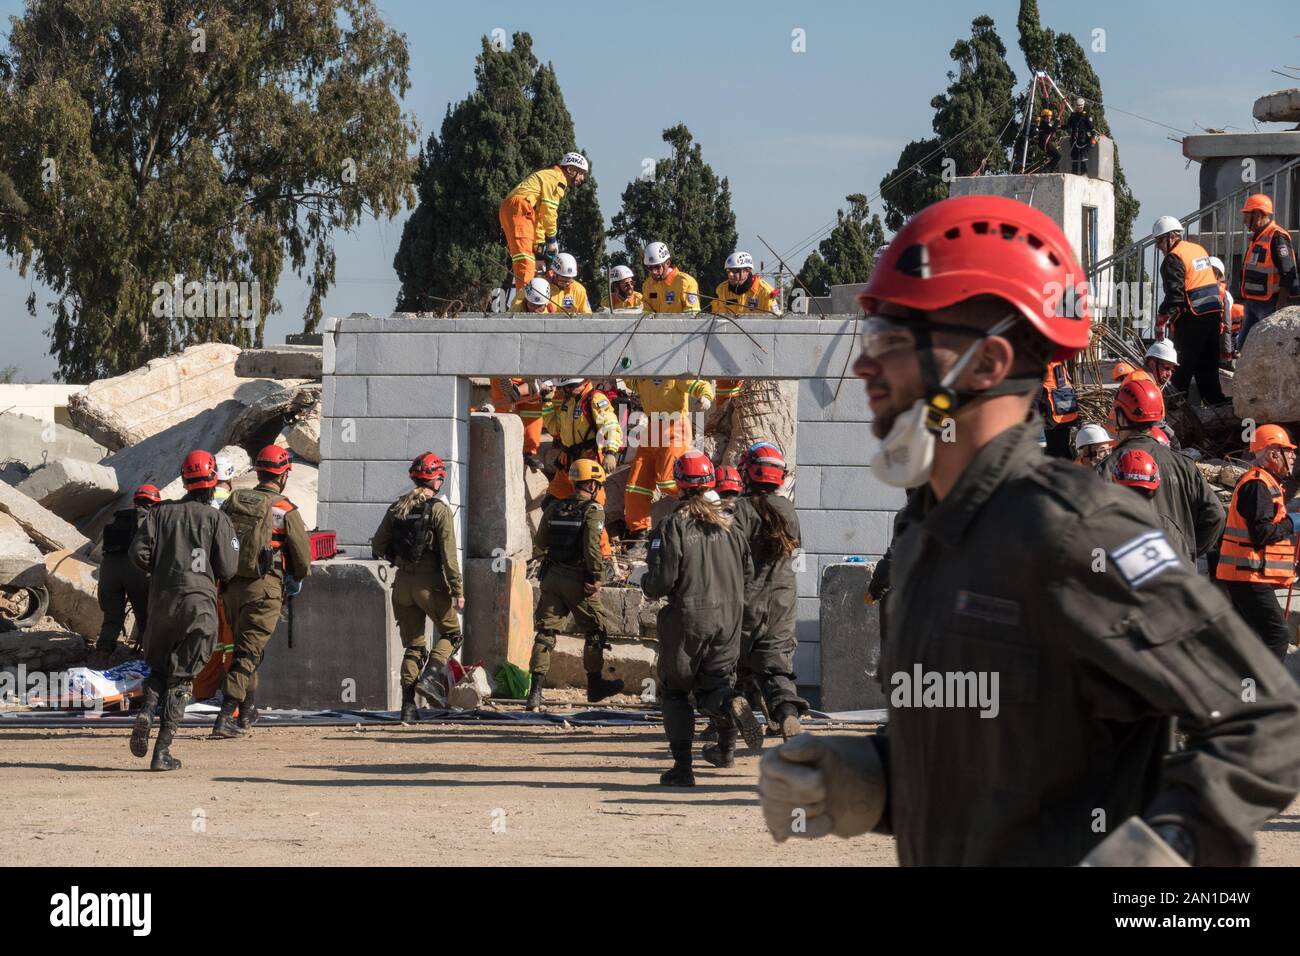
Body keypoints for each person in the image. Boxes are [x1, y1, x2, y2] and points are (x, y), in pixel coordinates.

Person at [758, 194, 1300, 865]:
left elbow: (1264, 717)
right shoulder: (930, 539)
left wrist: (1165, 846)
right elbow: (993, 761)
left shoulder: (1076, 535)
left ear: (983, 365)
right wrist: (876, 774)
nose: (866, 366)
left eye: (893, 341)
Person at [642, 451, 761, 787]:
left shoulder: (674, 525)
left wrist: (646, 584)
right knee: (715, 685)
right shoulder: (731, 524)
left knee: (676, 692)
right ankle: (730, 702)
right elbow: (749, 574)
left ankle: (683, 769)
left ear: (679, 484)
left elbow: (662, 581)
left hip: (689, 618)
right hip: (730, 618)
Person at [128, 451, 238, 771]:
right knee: (182, 676)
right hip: (199, 606)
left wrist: (161, 570)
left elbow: (138, 553)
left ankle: (147, 710)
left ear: (185, 479)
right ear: (213, 481)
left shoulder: (159, 515)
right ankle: (162, 752)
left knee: (160, 668)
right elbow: (228, 568)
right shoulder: (218, 519)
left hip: (162, 602)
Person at [211, 445, 312, 738]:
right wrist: (293, 580)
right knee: (247, 653)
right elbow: (302, 560)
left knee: (246, 649)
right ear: (282, 475)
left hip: (231, 588)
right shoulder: (285, 509)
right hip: (264, 589)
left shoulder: (234, 499)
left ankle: (246, 712)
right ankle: (224, 717)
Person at [724, 441, 807, 750]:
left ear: (749, 473)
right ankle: (785, 712)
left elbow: (729, 557)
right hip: (783, 601)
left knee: (737, 666)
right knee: (776, 665)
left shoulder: (739, 511)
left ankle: (731, 728)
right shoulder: (789, 510)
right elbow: (797, 558)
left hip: (745, 600)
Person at [371, 453, 464, 721]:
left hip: (402, 585)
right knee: (452, 634)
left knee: (414, 646)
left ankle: (408, 708)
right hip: (431, 584)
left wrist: (398, 559)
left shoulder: (397, 507)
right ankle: (431, 677)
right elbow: (449, 556)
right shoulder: (438, 509)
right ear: (436, 479)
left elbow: (377, 546)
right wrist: (457, 591)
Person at [526, 460, 625, 711]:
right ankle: (594, 686)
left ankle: (534, 694)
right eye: (598, 485)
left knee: (546, 634)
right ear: (592, 484)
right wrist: (596, 577)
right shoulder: (593, 510)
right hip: (579, 580)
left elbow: (539, 545)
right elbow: (592, 546)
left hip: (552, 577)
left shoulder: (555, 507)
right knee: (595, 630)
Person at [1102, 379, 1224, 565]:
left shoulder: (1107, 468)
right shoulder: (1185, 466)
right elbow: (1216, 514)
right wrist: (1188, 549)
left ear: (1121, 416)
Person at [1216, 424, 1300, 664]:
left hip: (1248, 575)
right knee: (1277, 634)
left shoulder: (1264, 482)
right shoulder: (1257, 485)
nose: (1293, 456)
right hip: (1247, 576)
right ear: (1273, 454)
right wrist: (1292, 522)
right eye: (1288, 451)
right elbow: (1262, 533)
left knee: (1252, 635)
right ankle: (1264, 691)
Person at [620, 375, 714, 550]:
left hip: (675, 428)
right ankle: (639, 533)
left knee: (667, 480)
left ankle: (702, 505)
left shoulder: (674, 373)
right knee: (635, 486)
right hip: (652, 428)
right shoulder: (643, 377)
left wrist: (706, 397)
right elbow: (629, 380)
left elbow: (700, 385)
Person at [540, 377, 622, 559]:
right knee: (551, 504)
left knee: (592, 511)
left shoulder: (595, 399)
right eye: (564, 388)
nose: (564, 391)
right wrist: (546, 402)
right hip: (568, 462)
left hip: (588, 463)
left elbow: (611, 424)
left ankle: (604, 558)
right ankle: (559, 550)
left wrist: (610, 451)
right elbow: (554, 428)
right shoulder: (568, 403)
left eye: (568, 387)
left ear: (581, 383)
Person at [1152, 215, 1227, 406]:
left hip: (1192, 318)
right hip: (1213, 315)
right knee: (1207, 366)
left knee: (1181, 365)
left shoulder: (1173, 258)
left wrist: (1161, 319)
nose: (1158, 246)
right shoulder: (1197, 249)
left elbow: (1174, 296)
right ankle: (1215, 402)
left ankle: (1174, 406)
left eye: (1159, 240)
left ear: (1171, 237)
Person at [89, 484, 162, 669]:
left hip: (109, 572)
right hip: (137, 572)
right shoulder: (153, 522)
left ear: (135, 500)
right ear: (155, 503)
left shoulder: (117, 520)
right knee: (147, 617)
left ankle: (101, 655)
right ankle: (149, 660)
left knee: (112, 616)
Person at [498, 152, 589, 291]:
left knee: (528, 258)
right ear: (571, 169)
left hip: (518, 210)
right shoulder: (557, 178)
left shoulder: (550, 176)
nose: (582, 178)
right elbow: (549, 212)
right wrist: (552, 239)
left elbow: (539, 219)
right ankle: (525, 301)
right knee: (525, 260)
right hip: (519, 208)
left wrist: (539, 252)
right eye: (581, 173)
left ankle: (530, 298)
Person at [711, 251, 782, 405]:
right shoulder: (722, 290)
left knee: (753, 403)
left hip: (755, 355)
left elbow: (776, 324)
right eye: (729, 271)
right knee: (723, 397)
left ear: (747, 271)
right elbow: (715, 318)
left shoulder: (764, 292)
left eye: (735, 272)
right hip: (728, 352)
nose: (731, 275)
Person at [1238, 194, 1299, 349]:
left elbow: (1288, 272)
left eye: (1246, 215)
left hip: (1269, 304)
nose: (1244, 221)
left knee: (1267, 347)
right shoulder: (1258, 237)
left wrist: (1280, 306)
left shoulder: (1277, 237)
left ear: (1257, 214)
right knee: (1243, 346)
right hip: (1252, 302)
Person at [641, 241, 700, 313]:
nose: (654, 271)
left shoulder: (685, 282)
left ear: (667, 263)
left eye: (657, 267)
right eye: (650, 268)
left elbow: (692, 315)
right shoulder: (647, 286)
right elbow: (647, 316)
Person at [1036, 358, 1078, 458]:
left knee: (1054, 452)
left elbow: (1036, 394)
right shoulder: (1057, 362)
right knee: (1063, 447)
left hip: (1053, 414)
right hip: (1064, 411)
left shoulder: (1042, 364)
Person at [1064, 97, 1097, 175]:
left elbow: (1092, 128)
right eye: (1077, 107)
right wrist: (1058, 126)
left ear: (1082, 107)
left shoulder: (1086, 116)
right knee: (1074, 158)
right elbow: (1068, 125)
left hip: (1083, 140)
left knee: (1083, 158)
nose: (1078, 108)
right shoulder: (1073, 115)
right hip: (1074, 140)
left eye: (1080, 107)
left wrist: (1093, 139)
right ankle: (1074, 174)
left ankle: (1083, 174)